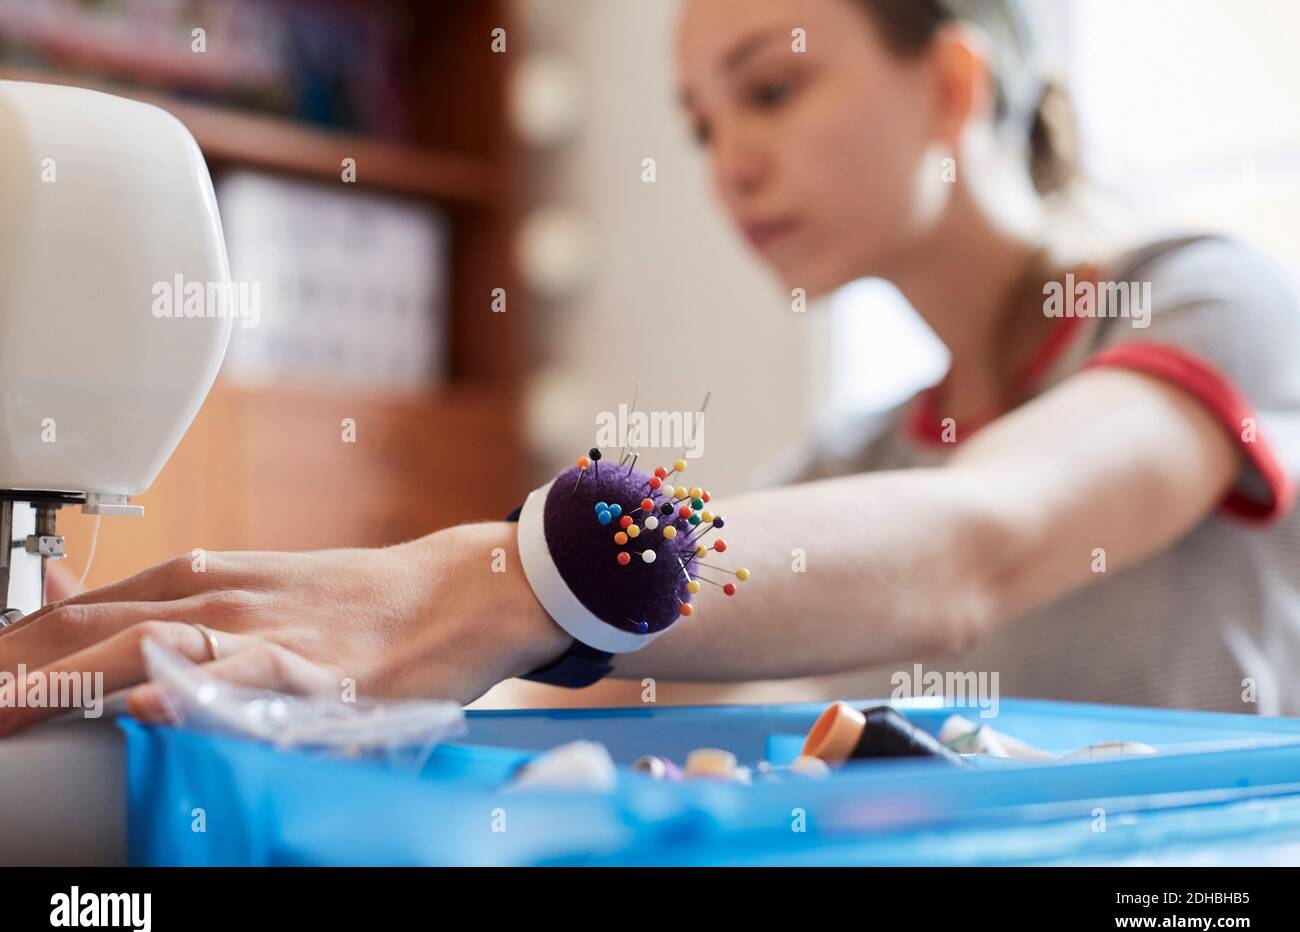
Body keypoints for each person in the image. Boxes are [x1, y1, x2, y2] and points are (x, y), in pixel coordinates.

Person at [4, 0, 1299, 735]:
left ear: (953, 86)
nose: (727, 159)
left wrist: (489, 572)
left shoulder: (1212, 298)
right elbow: (615, 658)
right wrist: (256, 682)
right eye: (697, 122)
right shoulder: (865, 457)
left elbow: (975, 545)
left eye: (772, 90)